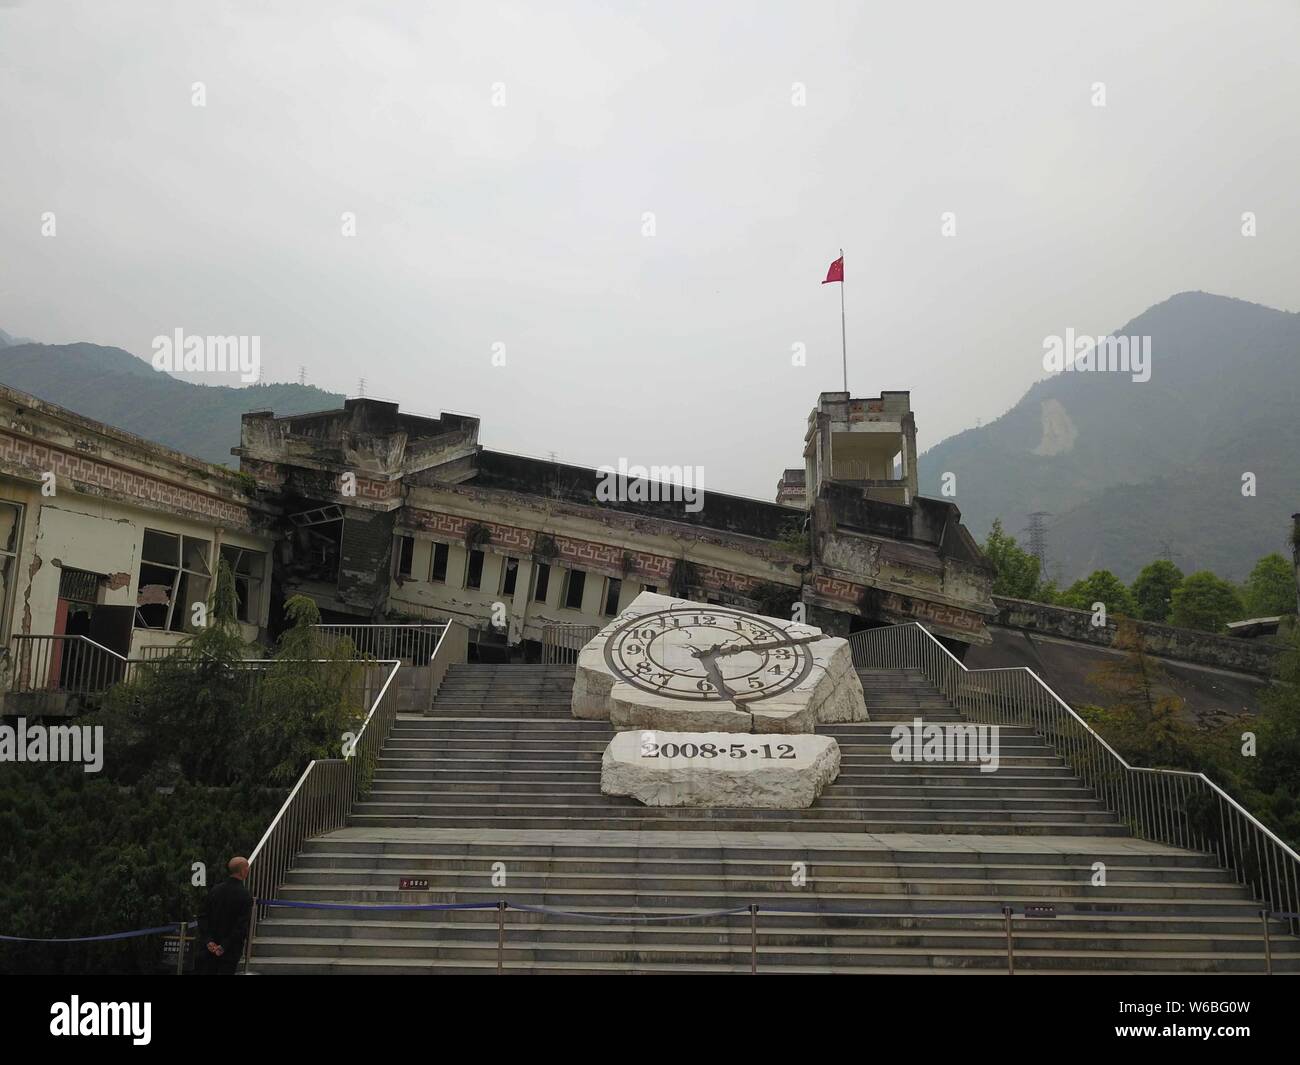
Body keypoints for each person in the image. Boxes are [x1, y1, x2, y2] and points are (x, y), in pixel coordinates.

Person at [194, 857, 253, 974]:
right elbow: (241, 926)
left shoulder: (215, 890)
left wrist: (208, 940)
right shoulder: (244, 895)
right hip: (229, 951)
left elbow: (202, 916)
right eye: (247, 868)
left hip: (209, 949)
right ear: (242, 871)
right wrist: (224, 945)